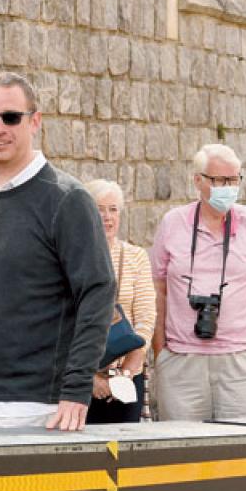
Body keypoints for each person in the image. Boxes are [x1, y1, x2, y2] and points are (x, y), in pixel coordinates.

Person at [0, 72, 116, 431]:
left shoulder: (67, 200)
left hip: (35, 403)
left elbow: (97, 292)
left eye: (11, 117)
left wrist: (76, 388)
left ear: (35, 122)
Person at [150, 143, 246, 421]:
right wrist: (160, 351)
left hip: (243, 361)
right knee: (180, 451)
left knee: (245, 449)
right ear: (198, 180)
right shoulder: (173, 223)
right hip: (181, 361)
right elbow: (157, 289)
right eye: (220, 180)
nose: (228, 188)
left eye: (234, 180)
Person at [85, 179, 156, 424]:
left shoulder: (136, 257)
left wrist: (126, 373)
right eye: (99, 209)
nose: (107, 217)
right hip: (79, 377)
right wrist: (91, 378)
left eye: (113, 209)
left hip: (126, 374)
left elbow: (146, 319)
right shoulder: (71, 258)